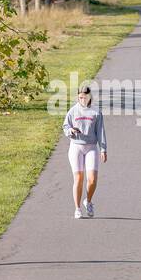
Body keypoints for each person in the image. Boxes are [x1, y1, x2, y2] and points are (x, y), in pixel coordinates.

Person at [62, 84, 107, 219]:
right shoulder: (73, 111)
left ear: (89, 97)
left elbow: (100, 132)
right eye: (80, 97)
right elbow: (66, 126)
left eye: (84, 97)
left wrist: (103, 149)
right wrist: (71, 131)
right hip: (76, 147)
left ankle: (88, 201)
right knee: (79, 178)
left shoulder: (96, 112)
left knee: (92, 180)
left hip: (91, 147)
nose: (82, 100)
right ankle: (77, 208)